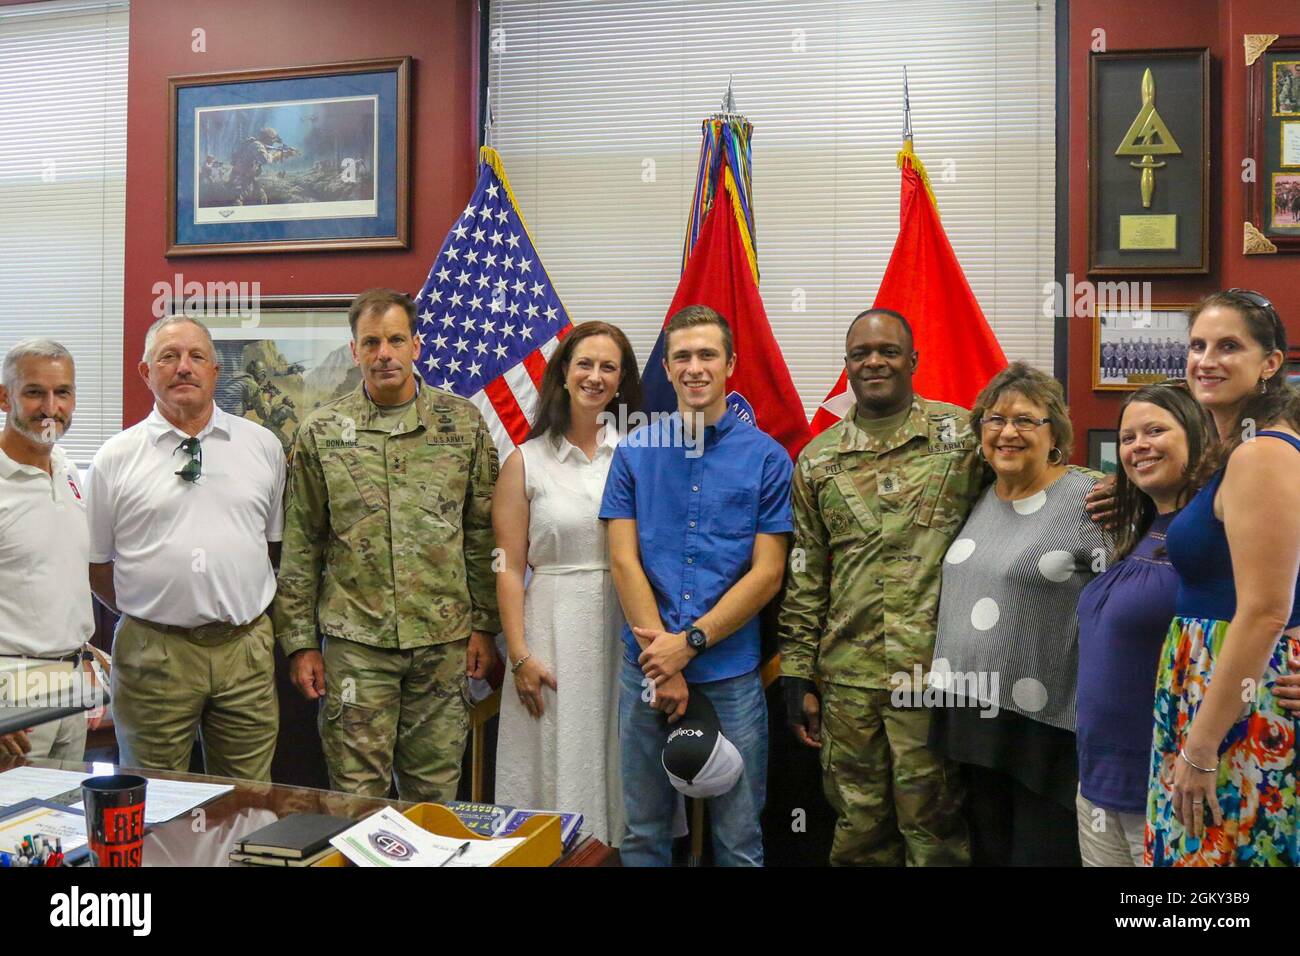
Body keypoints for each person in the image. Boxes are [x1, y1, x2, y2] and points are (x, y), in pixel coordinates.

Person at [273, 288, 500, 802]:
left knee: (434, 796)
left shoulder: (461, 424)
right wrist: (301, 642)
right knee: (356, 797)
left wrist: (486, 627)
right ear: (354, 351)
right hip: (356, 646)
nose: (384, 354)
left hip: (442, 642)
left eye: (396, 340)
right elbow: (303, 544)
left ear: (416, 346)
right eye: (371, 342)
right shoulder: (322, 432)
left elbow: (482, 533)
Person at [779, 308, 983, 866]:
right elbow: (805, 575)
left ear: (913, 360)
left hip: (936, 676)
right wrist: (797, 672)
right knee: (858, 829)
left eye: (888, 351)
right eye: (860, 354)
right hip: (849, 682)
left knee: (935, 827)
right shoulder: (818, 459)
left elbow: (1033, 481)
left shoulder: (963, 436)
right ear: (847, 366)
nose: (874, 362)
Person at [600, 304, 792, 866]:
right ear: (666, 366)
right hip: (645, 670)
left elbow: (768, 573)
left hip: (730, 672)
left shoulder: (767, 459)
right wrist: (661, 659)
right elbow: (624, 562)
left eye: (707, 354)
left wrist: (690, 645)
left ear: (730, 363)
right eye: (682, 355)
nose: (695, 366)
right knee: (644, 831)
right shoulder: (634, 452)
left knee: (739, 838)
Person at [85, 316, 285, 779]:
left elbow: (272, 551)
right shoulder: (114, 458)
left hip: (245, 650)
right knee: (152, 803)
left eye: (196, 357)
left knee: (248, 801)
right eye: (168, 357)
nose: (183, 368)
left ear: (215, 370)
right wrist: (156, 613)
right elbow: (97, 565)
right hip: (153, 654)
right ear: (145, 372)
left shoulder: (263, 447)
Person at [929, 362, 1106, 866]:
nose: (1008, 432)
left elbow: (1138, 584)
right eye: (994, 419)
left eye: (1026, 420)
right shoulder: (979, 493)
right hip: (971, 712)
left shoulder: (1091, 499)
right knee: (988, 851)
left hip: (1046, 722)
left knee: (1039, 854)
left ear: (1056, 435)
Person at [1148, 289, 1300, 866]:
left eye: (1228, 346)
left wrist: (1204, 746)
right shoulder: (1237, 450)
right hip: (1212, 696)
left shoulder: (1263, 454)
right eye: (1197, 345)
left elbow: (1265, 609)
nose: (1206, 360)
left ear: (1270, 364)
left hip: (1236, 707)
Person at [492, 321, 642, 845]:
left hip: (625, 625)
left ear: (622, 381)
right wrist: (518, 654)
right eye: (584, 364)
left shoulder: (640, 454)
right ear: (563, 372)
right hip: (549, 627)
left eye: (608, 367)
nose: (595, 377)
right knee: (554, 749)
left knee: (621, 752)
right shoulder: (525, 460)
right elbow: (507, 566)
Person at [1075, 382, 1213, 866]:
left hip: (1173, 783)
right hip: (1097, 783)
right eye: (1129, 437)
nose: (1139, 445)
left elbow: (1276, 603)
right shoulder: (1139, 526)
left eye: (1156, 430)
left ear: (1196, 436)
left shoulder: (1218, 531)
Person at [0, 339, 95, 761]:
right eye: (34, 392)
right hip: (12, 691)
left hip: (71, 685)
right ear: (4, 397)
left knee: (63, 819)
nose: (50, 407)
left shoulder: (69, 470)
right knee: (13, 824)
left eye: (63, 393)